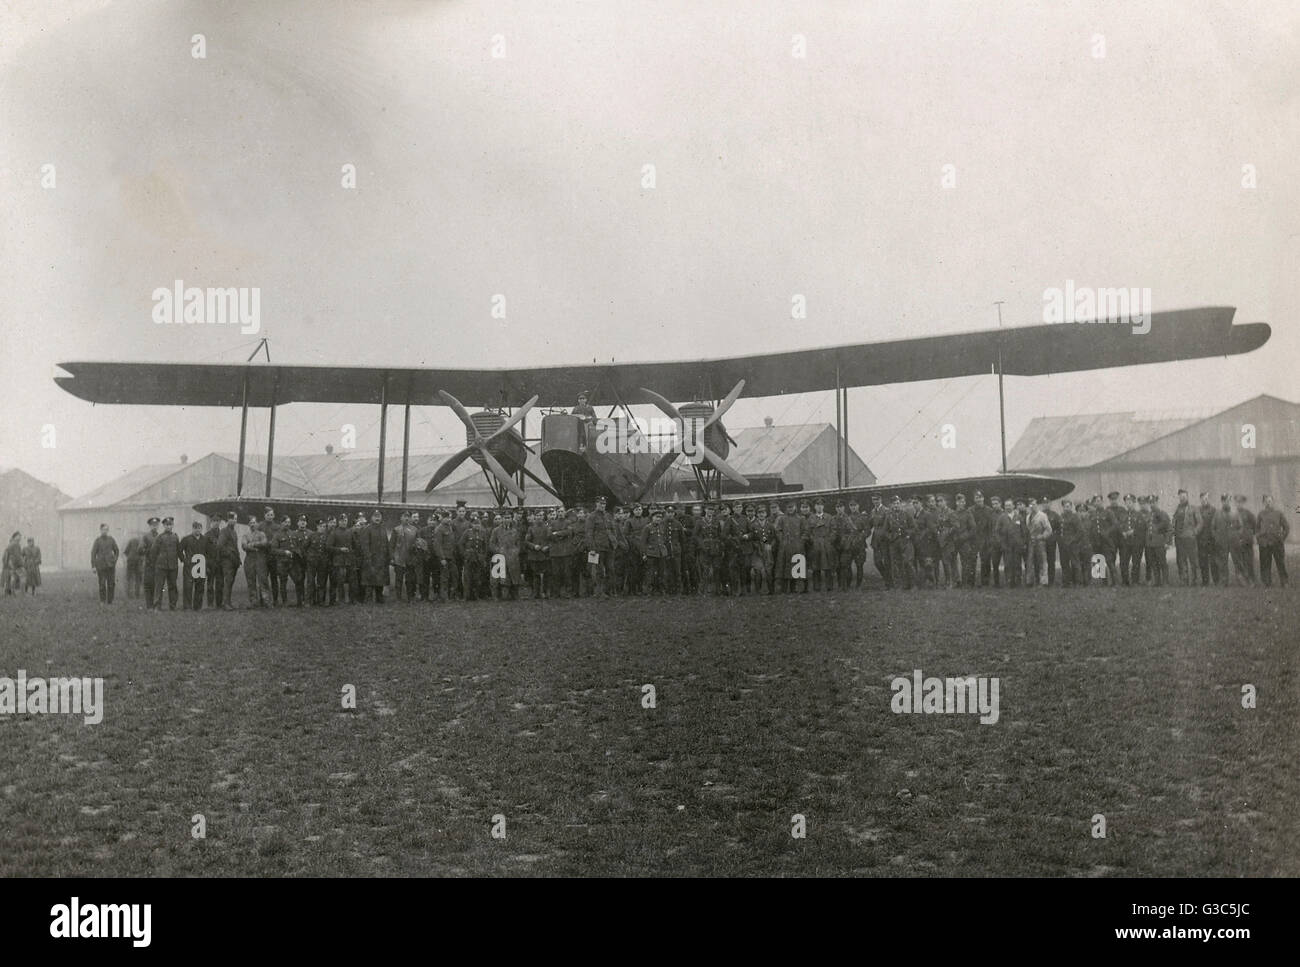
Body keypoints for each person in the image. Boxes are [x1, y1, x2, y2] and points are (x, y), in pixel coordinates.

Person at [358, 509, 392, 603]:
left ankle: (379, 597)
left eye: (379, 516)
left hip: (381, 560)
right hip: (371, 560)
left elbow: (386, 543)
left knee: (380, 579)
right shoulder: (367, 529)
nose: (377, 518)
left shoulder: (383, 529)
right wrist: (368, 558)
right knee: (369, 580)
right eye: (375, 516)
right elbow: (365, 546)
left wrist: (388, 557)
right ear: (371, 518)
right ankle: (368, 598)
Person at [1256, 494, 1290, 587]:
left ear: (1273, 502)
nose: (1268, 503)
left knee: (1280, 563)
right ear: (1263, 503)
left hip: (1277, 543)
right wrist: (1259, 538)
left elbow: (1286, 527)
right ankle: (1266, 583)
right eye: (1266, 501)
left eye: (1270, 501)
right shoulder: (1261, 514)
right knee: (1265, 564)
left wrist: (1281, 538)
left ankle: (1284, 582)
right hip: (1264, 544)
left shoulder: (1279, 513)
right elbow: (1257, 528)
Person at [149, 516, 182, 611]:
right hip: (161, 566)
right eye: (167, 525)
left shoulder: (175, 537)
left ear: (172, 525)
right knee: (159, 586)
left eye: (170, 525)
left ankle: (173, 606)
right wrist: (154, 564)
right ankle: (156, 606)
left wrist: (184, 560)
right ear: (163, 525)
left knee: (173, 586)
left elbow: (179, 551)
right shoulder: (160, 537)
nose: (169, 527)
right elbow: (153, 552)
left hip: (173, 566)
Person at [1172, 489, 1201, 587]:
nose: (1182, 498)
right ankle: (1184, 580)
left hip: (1190, 538)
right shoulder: (1177, 509)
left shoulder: (1193, 508)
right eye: (1180, 496)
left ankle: (1194, 580)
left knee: (1193, 560)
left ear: (1187, 497)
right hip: (1179, 539)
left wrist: (1194, 532)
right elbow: (1173, 523)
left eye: (1184, 496)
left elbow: (1200, 523)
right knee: (1181, 560)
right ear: (1179, 497)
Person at [178, 520, 208, 610]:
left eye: (199, 528)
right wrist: (184, 560)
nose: (197, 530)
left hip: (201, 565)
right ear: (192, 529)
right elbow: (179, 550)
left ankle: (197, 606)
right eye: (195, 528)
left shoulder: (205, 539)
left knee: (200, 587)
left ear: (201, 529)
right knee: (188, 587)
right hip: (190, 566)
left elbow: (209, 552)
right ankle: (187, 606)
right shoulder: (186, 539)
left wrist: (206, 563)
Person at [241, 517, 270, 607]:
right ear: (249, 525)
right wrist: (254, 547)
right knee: (251, 581)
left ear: (257, 524)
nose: (252, 524)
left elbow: (265, 543)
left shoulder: (262, 534)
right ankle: (254, 602)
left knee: (263, 580)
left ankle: (266, 601)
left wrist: (253, 544)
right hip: (249, 560)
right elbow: (244, 545)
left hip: (260, 559)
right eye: (251, 523)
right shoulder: (246, 535)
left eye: (254, 522)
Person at [217, 512, 242, 609]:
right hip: (227, 561)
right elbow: (220, 546)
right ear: (228, 520)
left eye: (236, 519)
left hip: (234, 561)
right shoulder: (224, 531)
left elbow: (235, 547)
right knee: (228, 581)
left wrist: (238, 558)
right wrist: (229, 554)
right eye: (233, 519)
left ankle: (228, 602)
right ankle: (226, 603)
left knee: (230, 582)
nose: (235, 521)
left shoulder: (234, 532)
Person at [91, 523, 119, 604]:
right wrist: (93, 566)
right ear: (100, 530)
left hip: (110, 566)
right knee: (102, 584)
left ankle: (110, 601)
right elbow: (93, 553)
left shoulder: (111, 539)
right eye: (103, 530)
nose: (105, 531)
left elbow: (116, 551)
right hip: (101, 566)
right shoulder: (97, 541)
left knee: (111, 584)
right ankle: (102, 601)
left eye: (106, 530)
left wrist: (114, 560)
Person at [1027, 499, 1052, 588]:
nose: (1032, 507)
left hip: (1040, 542)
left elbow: (1049, 530)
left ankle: (1043, 582)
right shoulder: (1028, 516)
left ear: (1037, 505)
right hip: (1031, 542)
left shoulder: (1042, 516)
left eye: (1033, 504)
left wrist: (1041, 537)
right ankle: (1031, 581)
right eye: (1030, 505)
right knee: (1030, 562)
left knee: (1042, 561)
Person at [1196, 492, 1219, 587]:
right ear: (1200, 500)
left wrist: (1216, 536)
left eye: (1206, 499)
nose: (1204, 501)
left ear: (1209, 499)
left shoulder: (1214, 510)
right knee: (1203, 561)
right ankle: (1205, 581)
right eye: (1202, 499)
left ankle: (1216, 581)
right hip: (1201, 540)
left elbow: (1216, 524)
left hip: (1212, 540)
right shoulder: (1197, 510)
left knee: (1214, 561)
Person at [140, 516, 160, 608]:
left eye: (156, 525)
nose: (154, 527)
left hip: (158, 564)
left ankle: (156, 605)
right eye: (153, 525)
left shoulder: (160, 536)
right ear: (150, 526)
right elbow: (140, 550)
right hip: (148, 564)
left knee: (157, 585)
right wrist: (148, 550)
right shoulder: (145, 537)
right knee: (148, 585)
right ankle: (149, 606)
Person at [123, 533, 143, 599]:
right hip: (137, 562)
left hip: (131, 561)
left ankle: (130, 594)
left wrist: (129, 557)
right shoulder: (141, 542)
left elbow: (125, 552)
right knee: (137, 578)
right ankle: (137, 595)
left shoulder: (131, 541)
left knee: (130, 578)